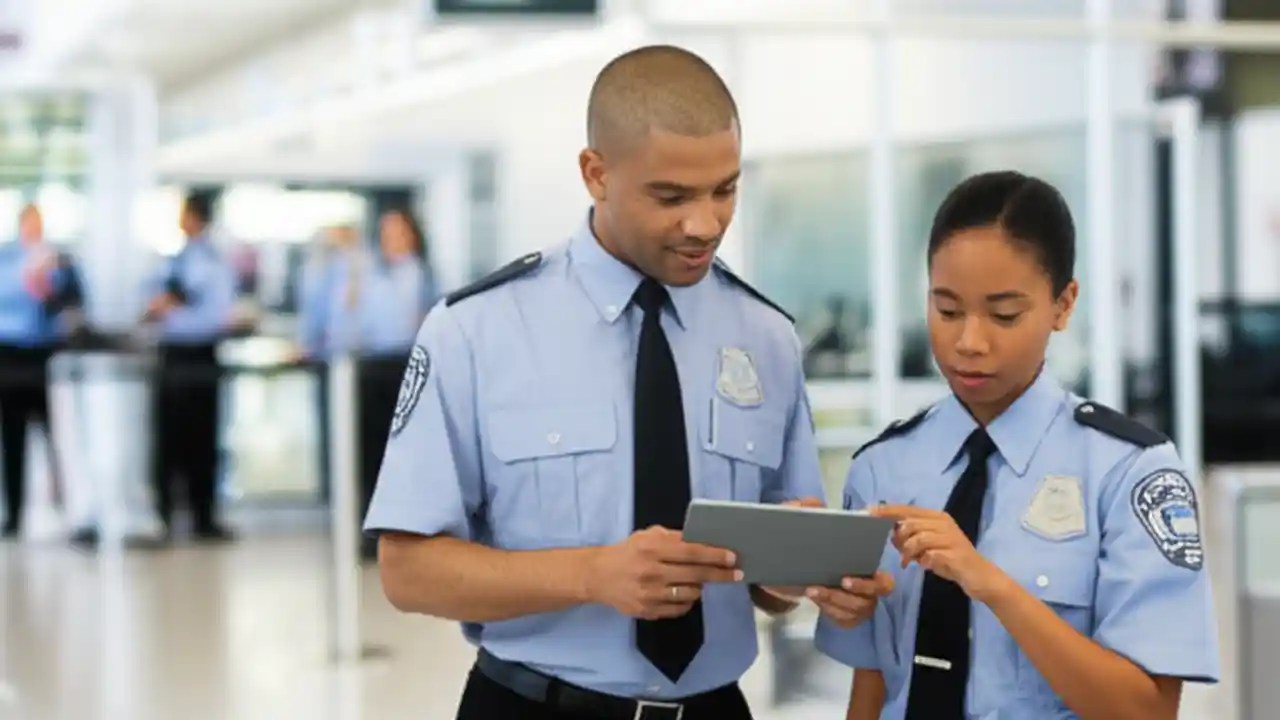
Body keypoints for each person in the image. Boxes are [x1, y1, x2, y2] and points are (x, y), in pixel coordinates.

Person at [364, 45, 891, 720]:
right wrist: (590, 574)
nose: (705, 224)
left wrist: (799, 578)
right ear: (596, 173)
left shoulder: (766, 338)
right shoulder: (476, 330)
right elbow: (407, 570)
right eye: (671, 197)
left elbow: (769, 580)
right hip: (533, 705)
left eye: (725, 189)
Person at [815, 171, 1220, 719]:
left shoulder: (1129, 473)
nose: (969, 342)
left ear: (1063, 303)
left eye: (1005, 314)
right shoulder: (881, 469)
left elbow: (1147, 711)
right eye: (948, 309)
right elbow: (873, 684)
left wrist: (992, 585)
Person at [142, 192, 237, 542]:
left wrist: (175, 307)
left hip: (200, 354)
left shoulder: (212, 262)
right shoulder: (172, 260)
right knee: (168, 440)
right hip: (171, 355)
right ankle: (165, 516)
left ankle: (204, 516)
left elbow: (215, 314)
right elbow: (152, 304)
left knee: (202, 439)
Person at [0, 204, 84, 538]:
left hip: (43, 355)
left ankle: (68, 511)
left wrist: (48, 285)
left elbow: (71, 303)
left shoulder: (59, 262)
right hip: (9, 355)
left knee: (56, 437)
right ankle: (15, 514)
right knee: (12, 437)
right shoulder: (6, 261)